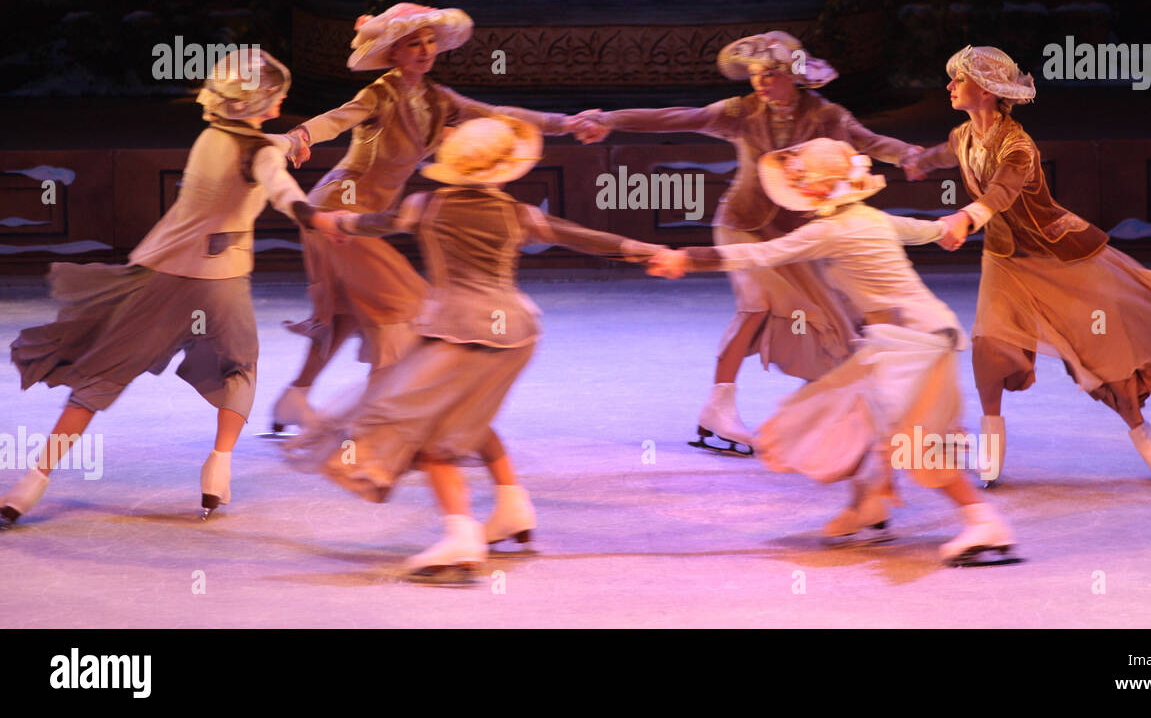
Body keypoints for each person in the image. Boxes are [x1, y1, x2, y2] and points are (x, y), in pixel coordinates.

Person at [285, 116, 665, 579]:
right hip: (517, 335)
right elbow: (585, 238)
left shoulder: (426, 205)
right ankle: (512, 506)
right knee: (468, 421)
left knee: (431, 434)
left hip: (459, 333)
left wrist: (317, 217)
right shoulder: (517, 213)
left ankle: (459, 537)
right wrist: (650, 251)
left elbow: (368, 223)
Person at [648, 138, 1017, 566]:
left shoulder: (833, 230)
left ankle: (983, 522)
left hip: (913, 342)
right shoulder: (870, 218)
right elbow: (928, 230)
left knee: (912, 439)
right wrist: (953, 225)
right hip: (902, 340)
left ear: (819, 190)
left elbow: (759, 253)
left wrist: (685, 258)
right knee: (860, 419)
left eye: (800, 183)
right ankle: (870, 508)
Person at [4, 49, 335, 525]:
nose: (281, 107)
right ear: (255, 102)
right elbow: (276, 181)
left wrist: (288, 142)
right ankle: (217, 468)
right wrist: (315, 215)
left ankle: (31, 482)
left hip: (162, 280)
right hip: (220, 287)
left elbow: (262, 149)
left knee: (101, 377)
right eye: (277, 99)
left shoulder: (210, 137)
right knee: (240, 367)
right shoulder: (259, 151)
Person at [573, 31, 922, 454]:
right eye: (756, 73)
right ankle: (719, 408)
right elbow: (678, 117)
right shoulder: (741, 111)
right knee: (755, 305)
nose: (761, 81)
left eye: (771, 73)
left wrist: (908, 155)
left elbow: (868, 142)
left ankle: (844, 404)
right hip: (741, 223)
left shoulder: (826, 116)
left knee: (828, 310)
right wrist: (610, 120)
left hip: (795, 232)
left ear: (794, 76)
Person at [266, 2, 602, 436]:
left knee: (347, 315)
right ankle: (375, 418)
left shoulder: (438, 99)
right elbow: (337, 118)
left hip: (363, 217)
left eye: (429, 42)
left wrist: (565, 123)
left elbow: (499, 114)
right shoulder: (379, 94)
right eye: (413, 44)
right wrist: (298, 136)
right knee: (401, 304)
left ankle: (293, 399)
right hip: (336, 210)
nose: (425, 51)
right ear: (393, 52)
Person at [903, 45, 1151, 484]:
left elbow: (1001, 193)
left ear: (986, 90)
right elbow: (946, 153)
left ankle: (1141, 430)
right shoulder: (964, 136)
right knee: (988, 344)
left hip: (1055, 255)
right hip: (1003, 258)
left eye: (958, 79)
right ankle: (992, 434)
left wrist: (965, 216)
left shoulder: (1018, 146)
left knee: (1100, 349)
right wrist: (915, 160)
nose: (949, 86)